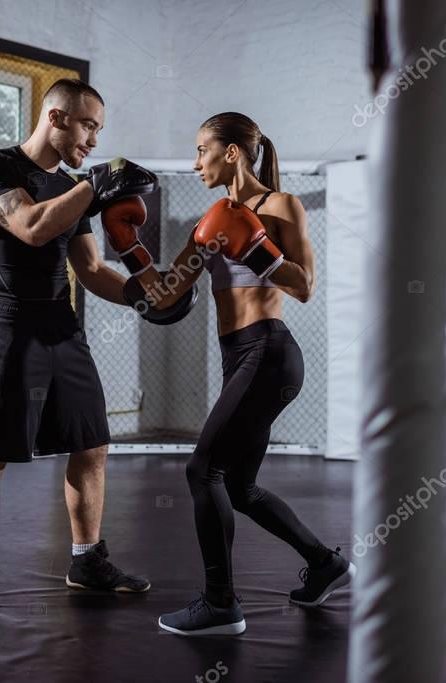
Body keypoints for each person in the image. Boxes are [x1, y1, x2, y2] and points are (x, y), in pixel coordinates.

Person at [132, 112, 356, 636]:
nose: (195, 163)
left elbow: (304, 286)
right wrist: (127, 242)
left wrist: (256, 248)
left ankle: (219, 604)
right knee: (238, 486)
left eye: (201, 150)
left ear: (231, 152)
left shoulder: (281, 205)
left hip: (270, 351)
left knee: (200, 470)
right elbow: (167, 290)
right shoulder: (210, 219)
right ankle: (324, 562)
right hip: (240, 356)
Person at [0, 78, 161, 617]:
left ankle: (87, 559)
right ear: (55, 116)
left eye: (98, 130)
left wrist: (146, 296)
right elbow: (30, 227)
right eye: (88, 124)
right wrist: (94, 184)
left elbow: (90, 270)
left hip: (61, 323)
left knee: (91, 444)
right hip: (8, 321)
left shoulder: (74, 186)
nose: (93, 138)